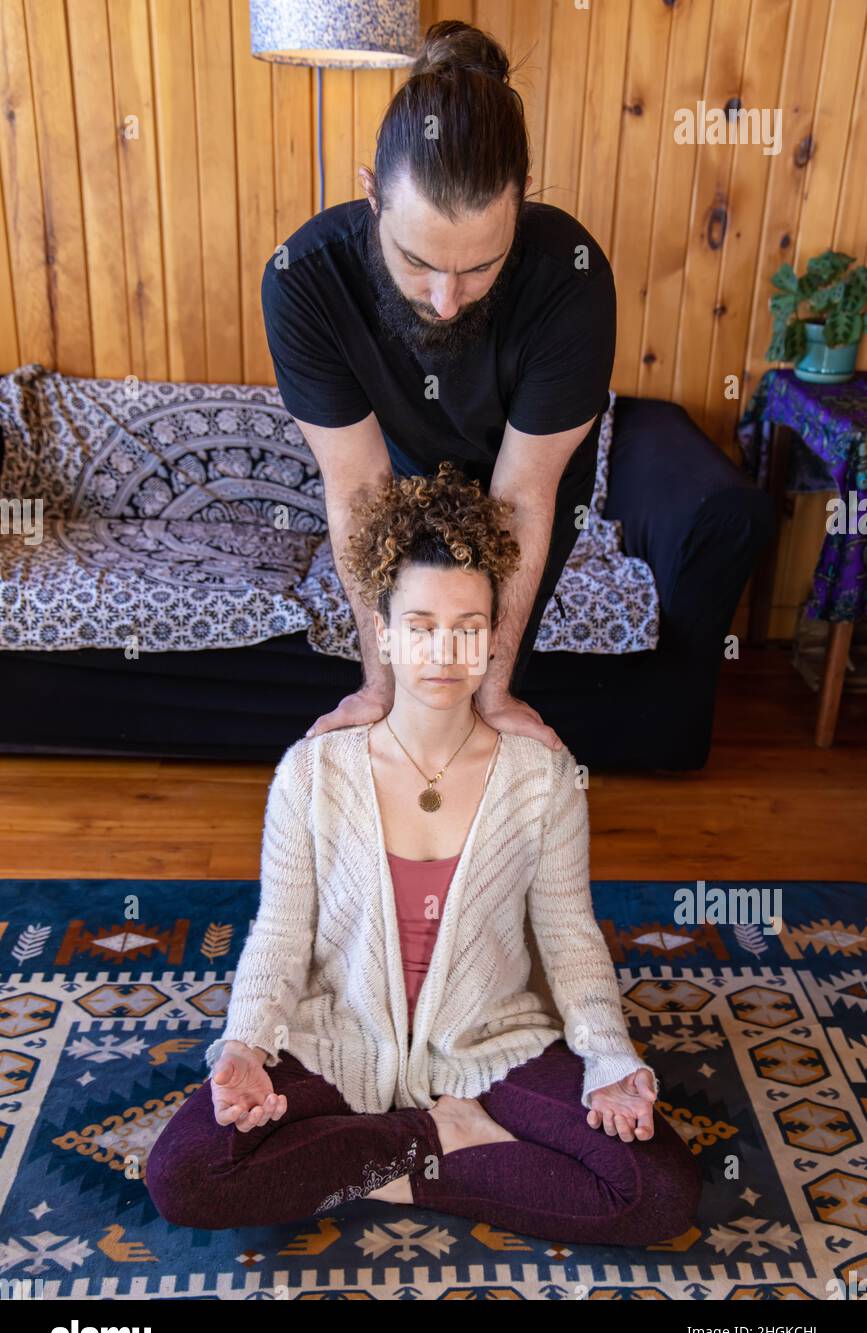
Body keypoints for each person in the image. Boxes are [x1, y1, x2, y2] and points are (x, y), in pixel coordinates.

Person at [145, 464, 702, 1242]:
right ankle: (440, 1142)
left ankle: (362, 1167)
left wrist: (609, 1060)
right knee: (186, 1175)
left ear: (493, 630)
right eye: (420, 624)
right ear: (381, 632)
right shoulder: (312, 772)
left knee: (656, 1190)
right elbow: (278, 933)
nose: (444, 651)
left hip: (492, 1041)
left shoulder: (541, 776)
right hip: (337, 1035)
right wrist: (245, 1045)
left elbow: (570, 939)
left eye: (468, 625)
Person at [260, 19, 617, 753]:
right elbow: (360, 490)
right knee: (405, 697)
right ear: (371, 199)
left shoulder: (569, 276)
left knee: (487, 702)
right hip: (396, 484)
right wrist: (376, 688)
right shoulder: (305, 281)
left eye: (481, 267)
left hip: (522, 492)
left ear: (519, 208)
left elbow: (521, 498)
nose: (447, 299)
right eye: (418, 261)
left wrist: (496, 695)